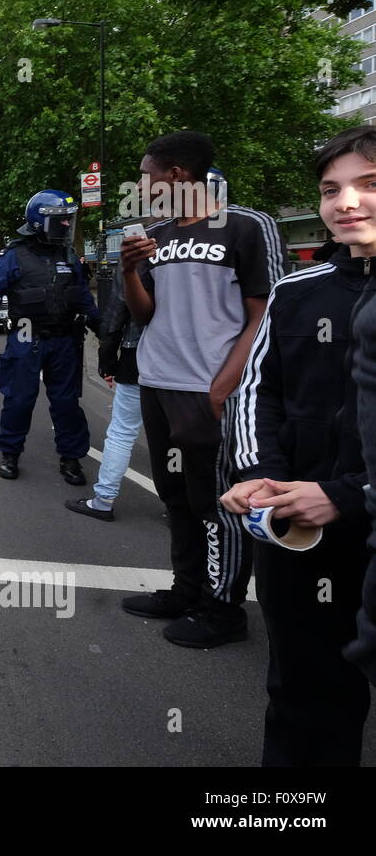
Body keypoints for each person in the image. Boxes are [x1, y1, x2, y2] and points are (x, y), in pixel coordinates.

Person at [222, 126, 374, 764]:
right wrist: (265, 480)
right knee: (304, 696)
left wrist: (347, 496)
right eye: (331, 189)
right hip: (297, 533)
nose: (346, 203)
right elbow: (257, 392)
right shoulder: (295, 292)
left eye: (368, 186)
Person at [118, 131, 285, 648]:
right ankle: (187, 590)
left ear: (176, 176)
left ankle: (224, 609)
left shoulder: (247, 226)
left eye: (146, 176)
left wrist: (226, 382)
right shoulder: (157, 233)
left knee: (216, 502)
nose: (141, 186)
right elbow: (145, 314)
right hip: (158, 383)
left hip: (209, 389)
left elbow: (268, 312)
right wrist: (129, 270)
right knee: (176, 497)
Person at [0, 190, 100, 485]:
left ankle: (70, 458)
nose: (67, 226)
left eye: (69, 220)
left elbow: (82, 297)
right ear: (40, 222)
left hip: (64, 340)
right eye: (61, 221)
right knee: (19, 400)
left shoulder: (68, 254)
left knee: (66, 403)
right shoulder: (14, 255)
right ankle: (10, 453)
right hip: (26, 338)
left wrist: (102, 326)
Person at [66, 272, 143, 521]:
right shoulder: (220, 243)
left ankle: (104, 499)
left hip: (138, 353)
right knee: (178, 435)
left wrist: (108, 362)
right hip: (194, 362)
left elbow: (117, 310)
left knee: (122, 432)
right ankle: (181, 507)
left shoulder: (139, 250)